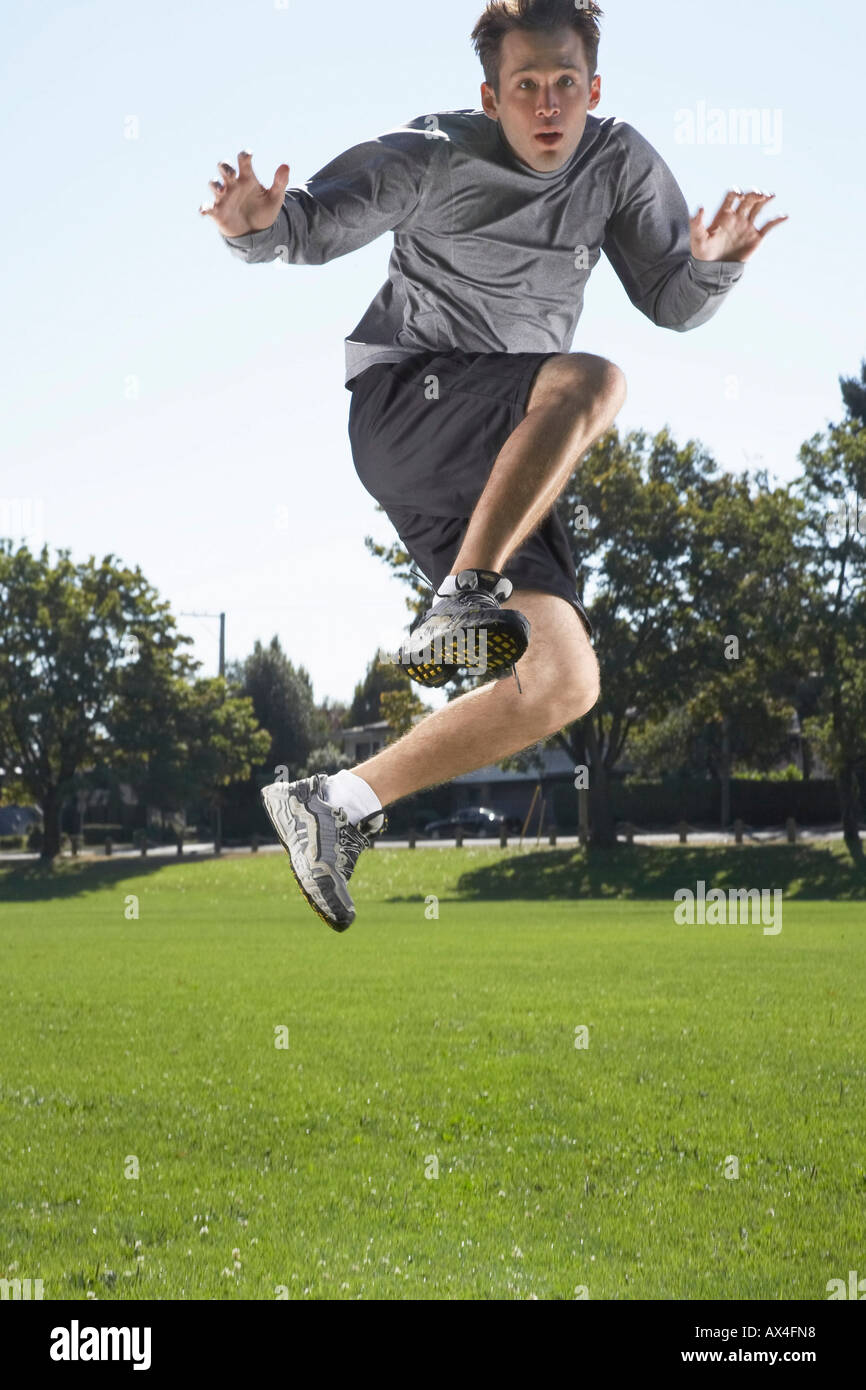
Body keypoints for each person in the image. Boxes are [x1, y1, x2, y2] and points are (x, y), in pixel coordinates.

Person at [200, 0, 787, 930]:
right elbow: (306, 228)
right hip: (408, 403)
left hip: (502, 448)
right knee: (592, 381)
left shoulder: (618, 163)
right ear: (491, 94)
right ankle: (462, 596)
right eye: (526, 88)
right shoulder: (435, 154)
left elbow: (670, 299)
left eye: (566, 86)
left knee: (564, 681)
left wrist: (712, 266)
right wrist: (253, 228)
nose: (548, 107)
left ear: (594, 88)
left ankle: (337, 803)